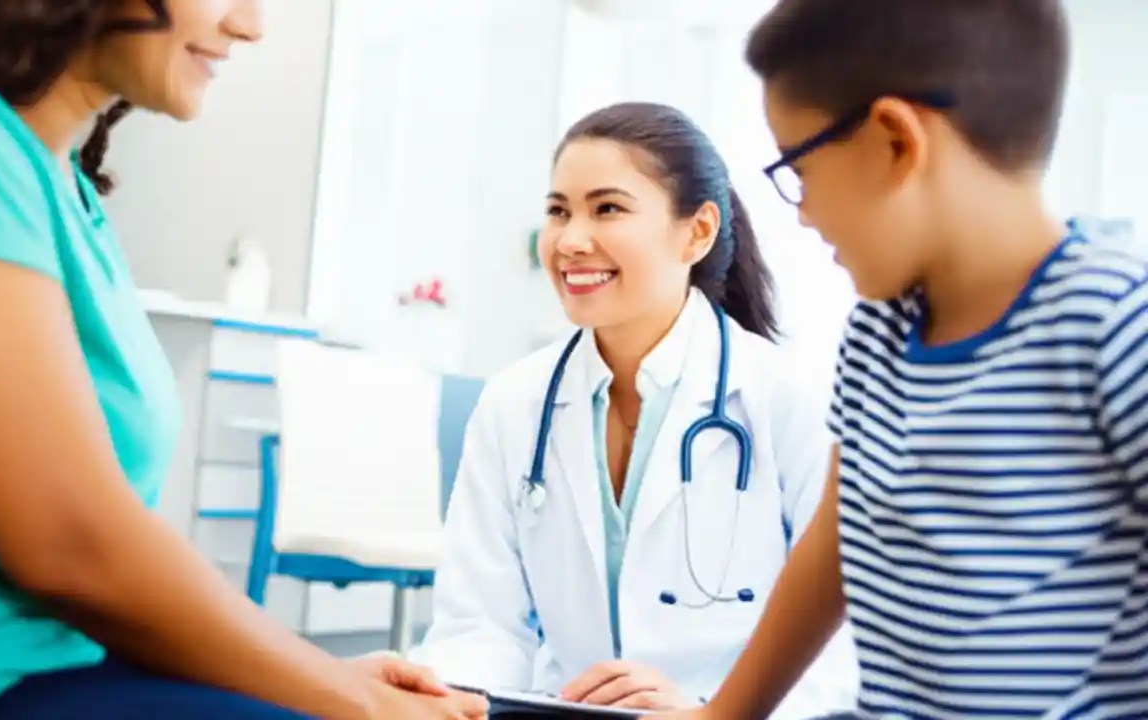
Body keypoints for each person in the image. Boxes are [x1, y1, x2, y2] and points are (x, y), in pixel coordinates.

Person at [0, 2, 489, 720]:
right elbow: (73, 545)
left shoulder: (65, 188)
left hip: (64, 668)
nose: (250, 26)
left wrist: (322, 676)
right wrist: (347, 698)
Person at [670, 1, 1148, 718]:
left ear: (895, 141)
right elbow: (835, 540)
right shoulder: (877, 334)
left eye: (799, 169)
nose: (801, 212)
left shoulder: (1114, 322)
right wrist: (721, 715)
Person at [412, 102, 859, 718]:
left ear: (697, 232)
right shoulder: (515, 403)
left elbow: (851, 636)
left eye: (608, 208)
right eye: (558, 211)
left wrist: (714, 708)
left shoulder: (787, 398)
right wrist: (465, 697)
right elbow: (478, 623)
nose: (570, 240)